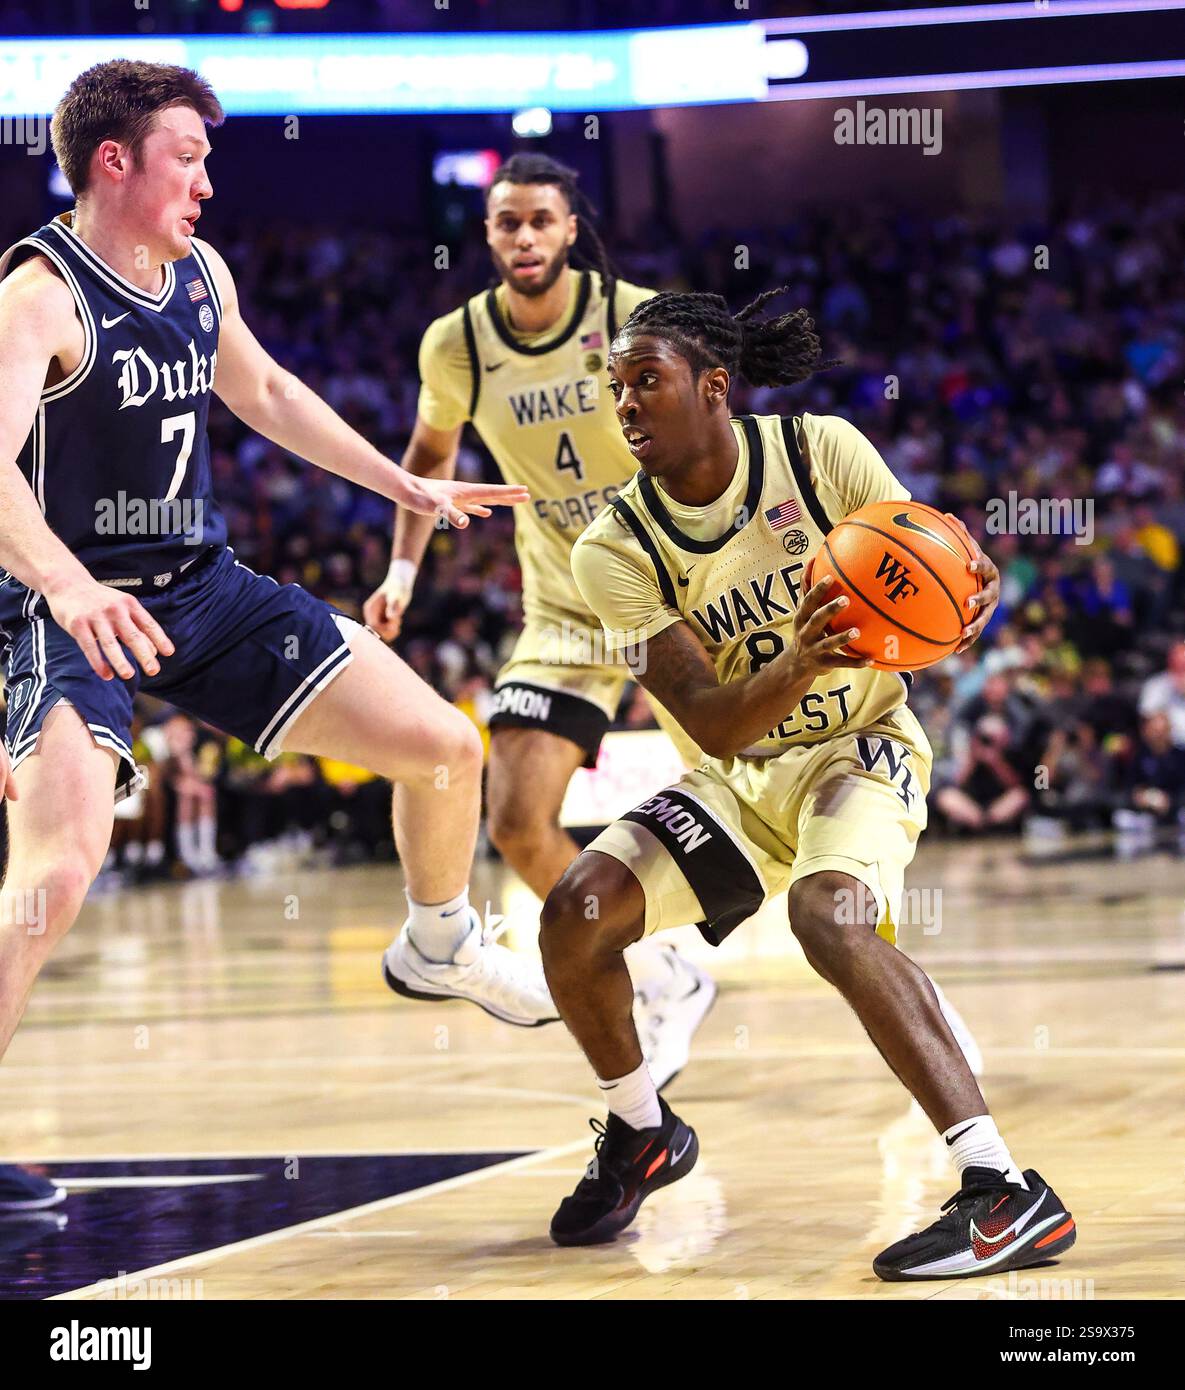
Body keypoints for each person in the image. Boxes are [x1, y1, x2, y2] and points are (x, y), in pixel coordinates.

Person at [0, 59, 540, 1062]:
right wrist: (69, 587)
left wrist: (403, 484)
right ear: (113, 162)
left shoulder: (202, 277)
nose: (207, 184)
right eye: (189, 160)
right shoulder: (38, 296)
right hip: (69, 609)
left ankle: (439, 941)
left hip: (202, 592)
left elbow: (273, 396)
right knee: (57, 876)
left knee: (445, 750)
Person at [540, 288, 1075, 1280]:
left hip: (860, 742)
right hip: (735, 775)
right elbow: (706, 714)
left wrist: (968, 585)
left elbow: (940, 571)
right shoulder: (610, 547)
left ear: (713, 387)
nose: (625, 405)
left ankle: (1002, 1189)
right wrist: (799, 657)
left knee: (828, 916)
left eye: (645, 381)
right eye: (615, 388)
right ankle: (640, 1129)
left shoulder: (820, 453)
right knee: (576, 912)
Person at [364, 154, 715, 1083]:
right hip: (564, 603)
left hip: (674, 590)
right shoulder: (459, 345)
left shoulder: (635, 318)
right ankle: (659, 972)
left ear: (570, 230)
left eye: (539, 221)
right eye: (505, 223)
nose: (523, 238)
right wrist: (402, 568)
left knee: (774, 798)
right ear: (487, 236)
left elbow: (715, 445)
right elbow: (426, 458)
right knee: (516, 820)